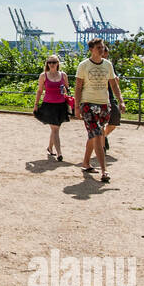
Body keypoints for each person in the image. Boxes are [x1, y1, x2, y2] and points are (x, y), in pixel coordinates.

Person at [74, 39, 124, 183]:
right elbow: (78, 87)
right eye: (98, 47)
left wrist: (121, 100)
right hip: (88, 104)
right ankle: (104, 170)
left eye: (102, 47)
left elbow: (114, 85)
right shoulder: (83, 65)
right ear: (91, 49)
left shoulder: (108, 65)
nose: (101, 50)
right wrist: (77, 106)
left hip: (104, 104)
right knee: (98, 134)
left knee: (94, 134)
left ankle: (85, 163)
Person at [33, 55, 70, 160]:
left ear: (58, 63)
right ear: (47, 64)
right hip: (48, 105)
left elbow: (67, 89)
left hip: (61, 105)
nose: (52, 64)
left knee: (55, 129)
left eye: (54, 62)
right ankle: (59, 153)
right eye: (49, 62)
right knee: (55, 129)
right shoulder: (43, 75)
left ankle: (50, 147)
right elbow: (40, 90)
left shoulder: (63, 75)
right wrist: (36, 104)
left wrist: (64, 91)